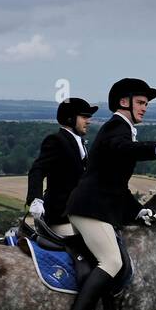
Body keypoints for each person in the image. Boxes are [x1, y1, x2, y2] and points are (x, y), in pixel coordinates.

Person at [61, 78, 156, 310]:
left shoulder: (122, 130)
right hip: (89, 209)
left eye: (146, 104)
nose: (144, 108)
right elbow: (124, 150)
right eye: (141, 102)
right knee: (112, 262)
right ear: (123, 102)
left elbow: (117, 187)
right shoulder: (117, 128)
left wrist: (139, 212)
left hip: (96, 207)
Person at [25, 98, 97, 237]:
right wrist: (36, 199)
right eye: (84, 117)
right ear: (70, 119)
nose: (88, 121)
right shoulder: (56, 141)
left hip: (80, 215)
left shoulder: (79, 143)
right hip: (61, 217)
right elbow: (37, 170)